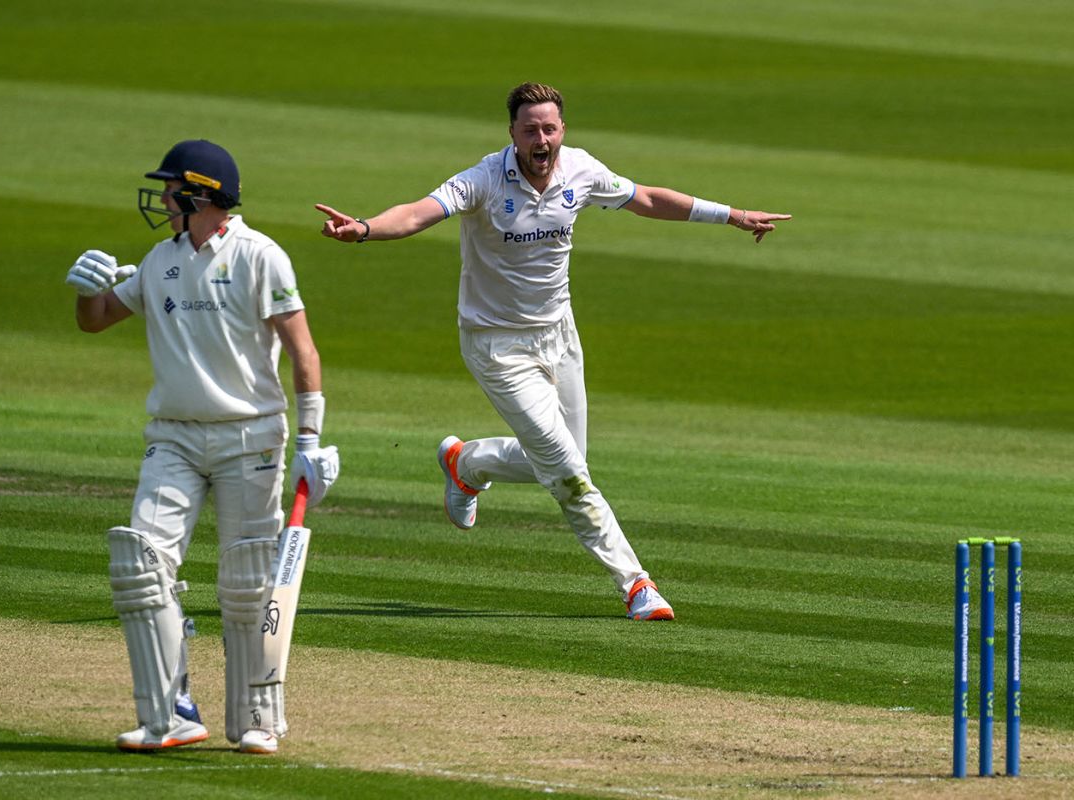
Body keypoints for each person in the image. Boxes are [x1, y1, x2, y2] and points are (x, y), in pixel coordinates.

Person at [316, 82, 790, 621]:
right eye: (529, 130)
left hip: (559, 336)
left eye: (550, 128)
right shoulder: (484, 180)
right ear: (512, 135)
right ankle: (636, 584)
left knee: (567, 459)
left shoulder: (581, 170)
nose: (541, 139)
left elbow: (648, 199)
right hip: (497, 345)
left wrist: (729, 214)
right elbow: (420, 213)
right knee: (568, 473)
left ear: (562, 130)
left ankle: (467, 462)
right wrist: (364, 230)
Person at [66, 139, 339, 753]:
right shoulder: (159, 260)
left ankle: (259, 719)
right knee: (139, 561)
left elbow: (303, 350)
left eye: (170, 190)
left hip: (252, 438)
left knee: (247, 581)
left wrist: (313, 439)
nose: (162, 199)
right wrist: (86, 291)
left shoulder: (260, 256)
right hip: (174, 437)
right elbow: (97, 318)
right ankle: (171, 715)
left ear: (201, 196)